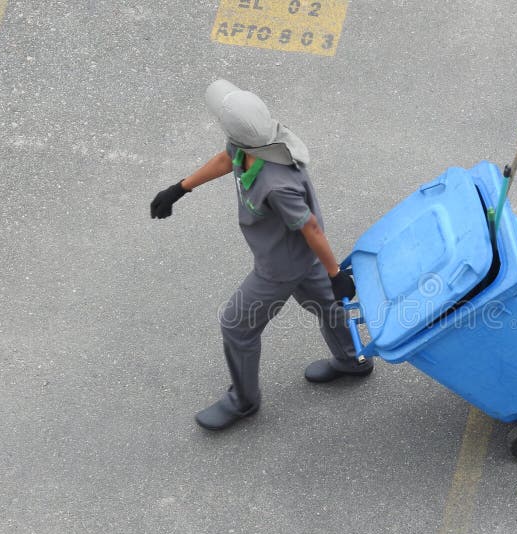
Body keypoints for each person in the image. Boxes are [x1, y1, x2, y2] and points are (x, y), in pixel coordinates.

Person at [150, 79, 373, 431]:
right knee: (328, 306)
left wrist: (335, 274)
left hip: (279, 267)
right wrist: (180, 189)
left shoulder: (277, 182)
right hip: (301, 257)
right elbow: (227, 158)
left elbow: (311, 228)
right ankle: (353, 360)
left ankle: (244, 401)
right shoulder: (258, 142)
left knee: (236, 326)